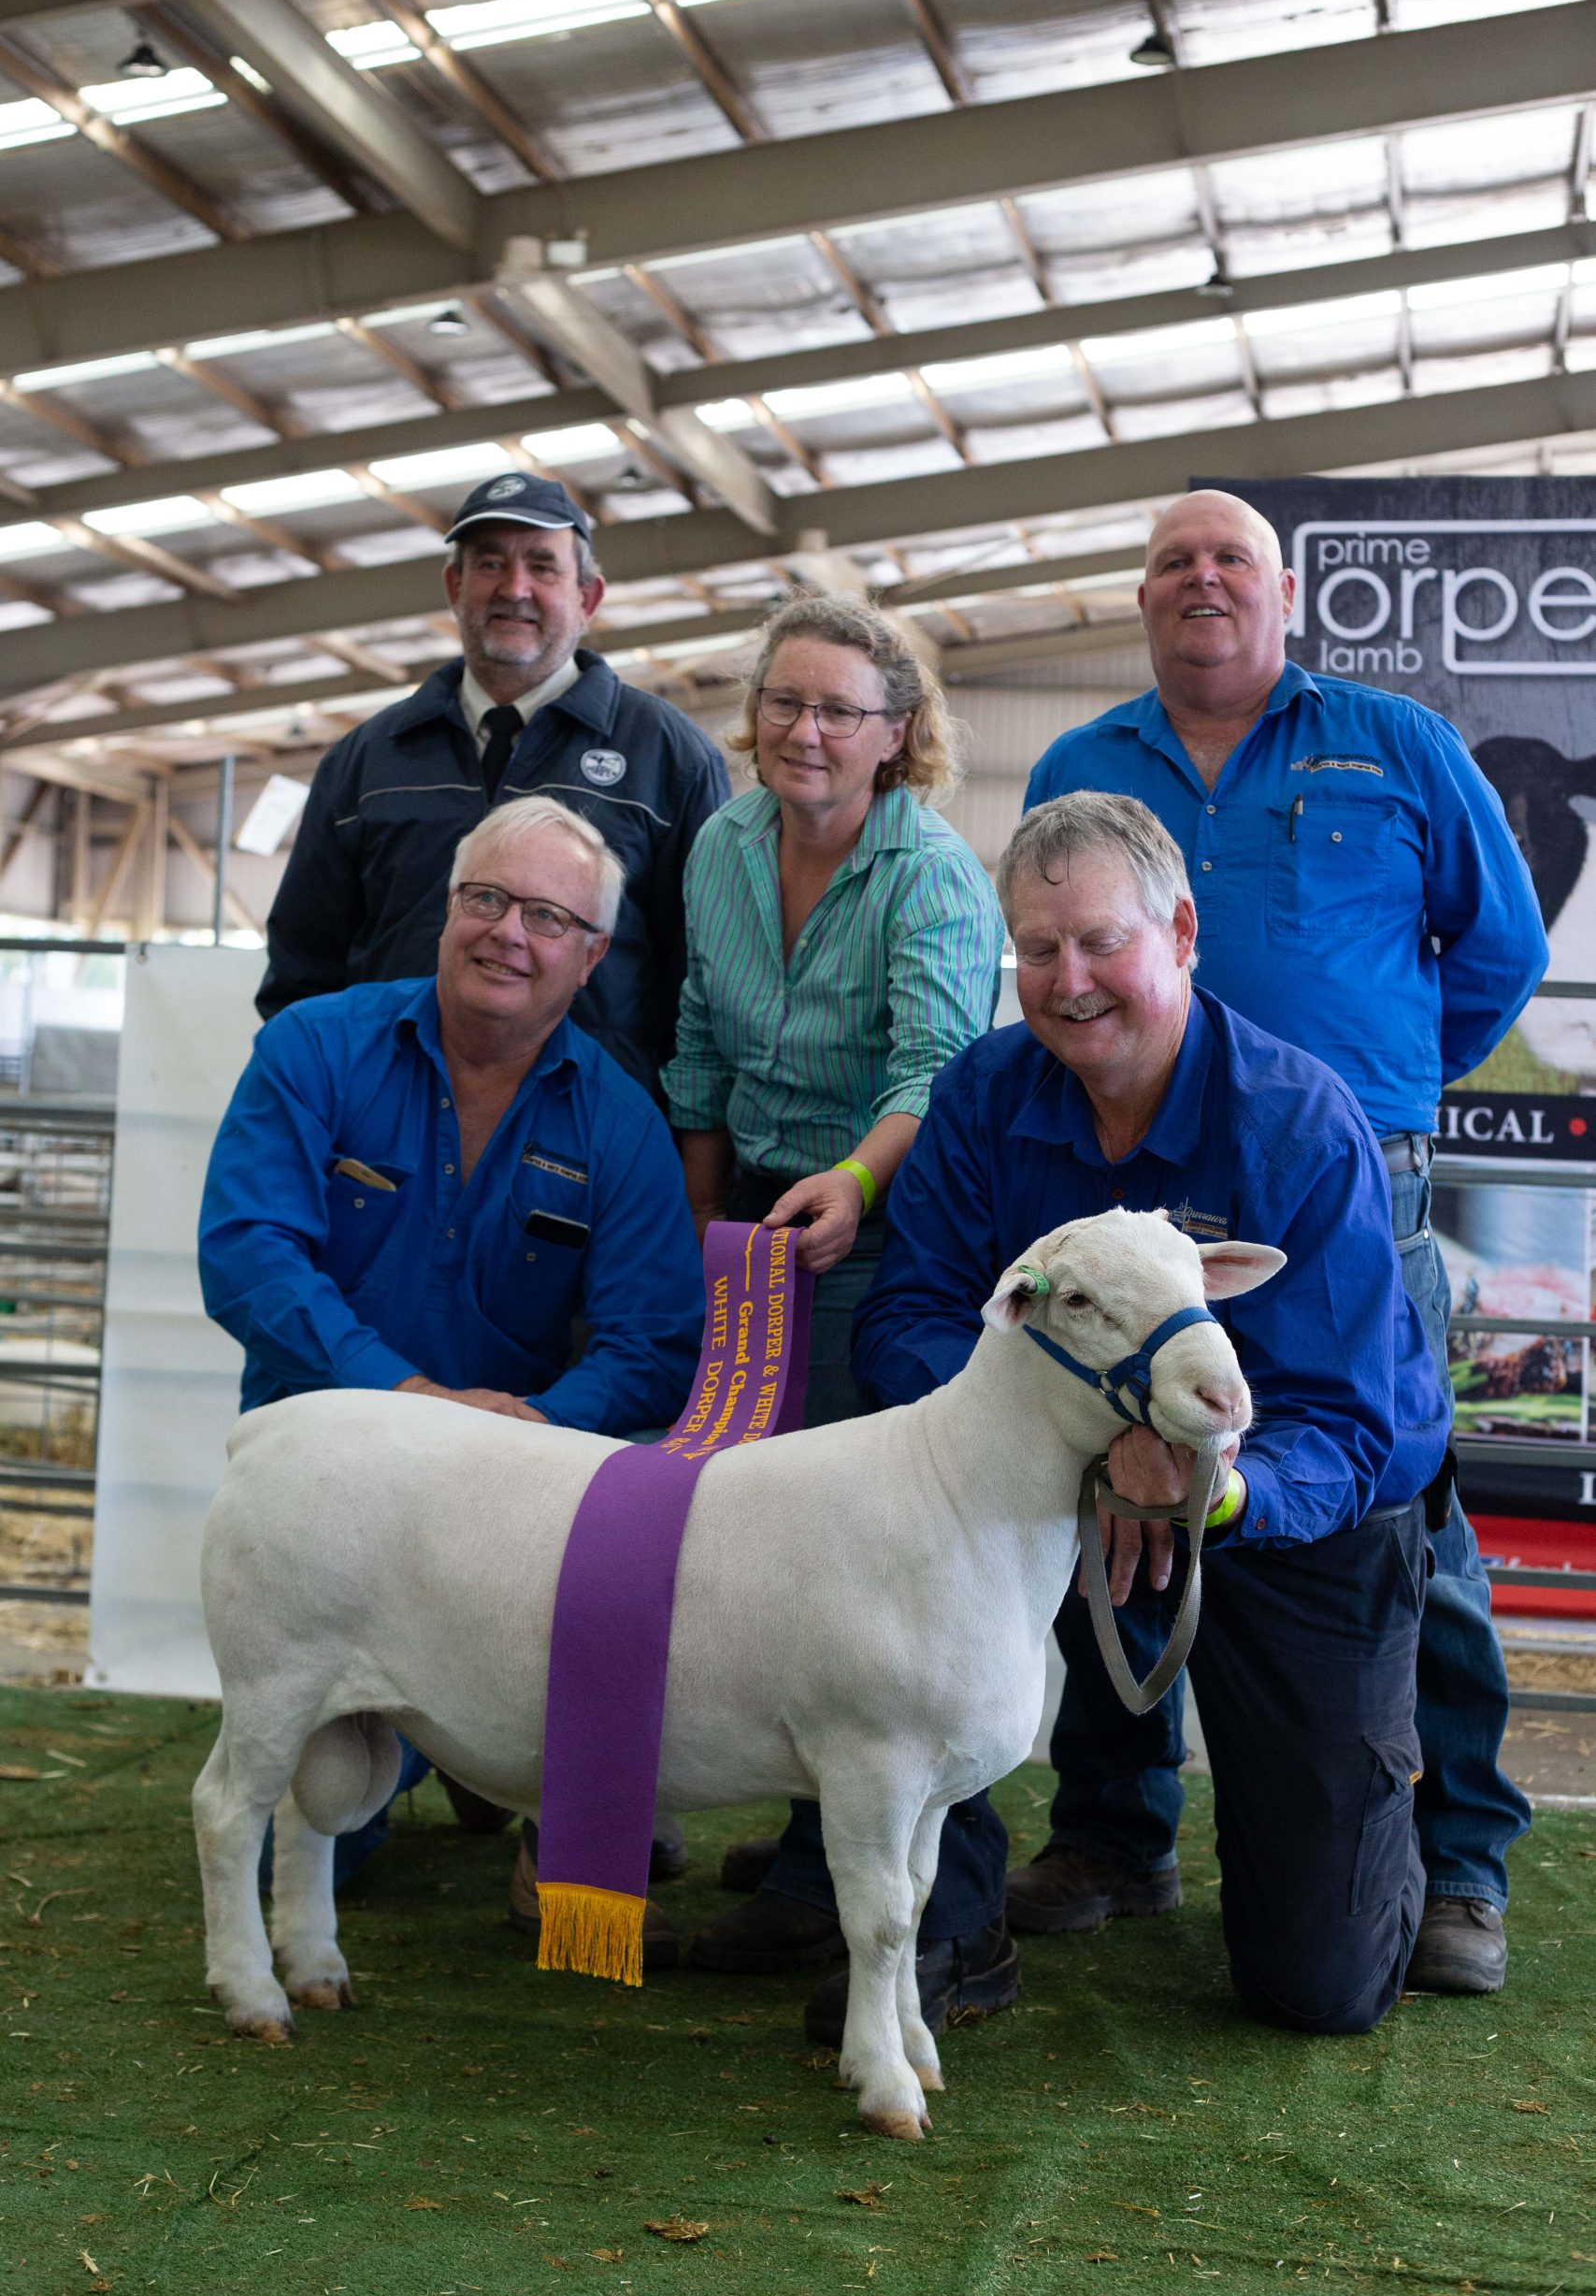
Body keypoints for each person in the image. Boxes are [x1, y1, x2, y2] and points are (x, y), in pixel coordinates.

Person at [1019, 489, 1549, 1998]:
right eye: (1174, 561)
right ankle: (1116, 1831)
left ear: (1284, 590)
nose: (1201, 580)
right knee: (1111, 1485)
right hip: (1137, 1188)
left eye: (1229, 559)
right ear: (1140, 598)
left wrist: (1363, 1090)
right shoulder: (1077, 764)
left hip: (1347, 1183)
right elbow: (1063, 961)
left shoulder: (1394, 746)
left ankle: (1457, 1854)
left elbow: (1497, 945)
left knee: (1404, 1512)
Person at [824, 793, 1449, 2048]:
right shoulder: (984, 1097)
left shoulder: (1295, 1119)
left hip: (1294, 1504)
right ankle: (948, 1924)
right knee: (895, 1537)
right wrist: (1079, 1430)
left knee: (1314, 1990)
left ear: (1178, 931)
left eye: (1099, 943)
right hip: (1066, 1481)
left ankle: (1390, 1848)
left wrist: (1212, 1490)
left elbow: (1338, 1420)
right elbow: (905, 1321)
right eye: (1036, 951)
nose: (1067, 982)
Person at [201, 795, 705, 1892]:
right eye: (485, 899)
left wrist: (524, 1430)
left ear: (593, 955)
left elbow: (657, 1342)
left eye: (546, 916)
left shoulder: (619, 1123)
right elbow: (246, 1254)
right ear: (445, 909)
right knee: (334, 1820)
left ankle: (490, 1755)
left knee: (457, 1749)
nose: (508, 934)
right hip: (327, 1495)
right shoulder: (312, 1048)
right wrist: (411, 1397)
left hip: (498, 1523)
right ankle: (443, 1751)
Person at [660, 591, 1006, 1989]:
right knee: (757, 1549)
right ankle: (811, 1850)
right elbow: (696, 1040)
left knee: (865, 1569)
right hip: (748, 1244)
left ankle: (860, 1890)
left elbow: (933, 1072)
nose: (803, 732)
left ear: (896, 734)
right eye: (783, 705)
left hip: (879, 1241)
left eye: (838, 711)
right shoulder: (720, 845)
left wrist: (853, 1188)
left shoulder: (930, 875)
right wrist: (695, 1225)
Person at [256, 470, 730, 1098]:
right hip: (383, 1126)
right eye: (489, 564)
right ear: (455, 586)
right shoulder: (366, 762)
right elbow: (302, 970)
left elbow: (704, 978)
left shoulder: (668, 757)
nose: (515, 588)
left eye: (543, 566)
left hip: (593, 1134)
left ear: (588, 597)